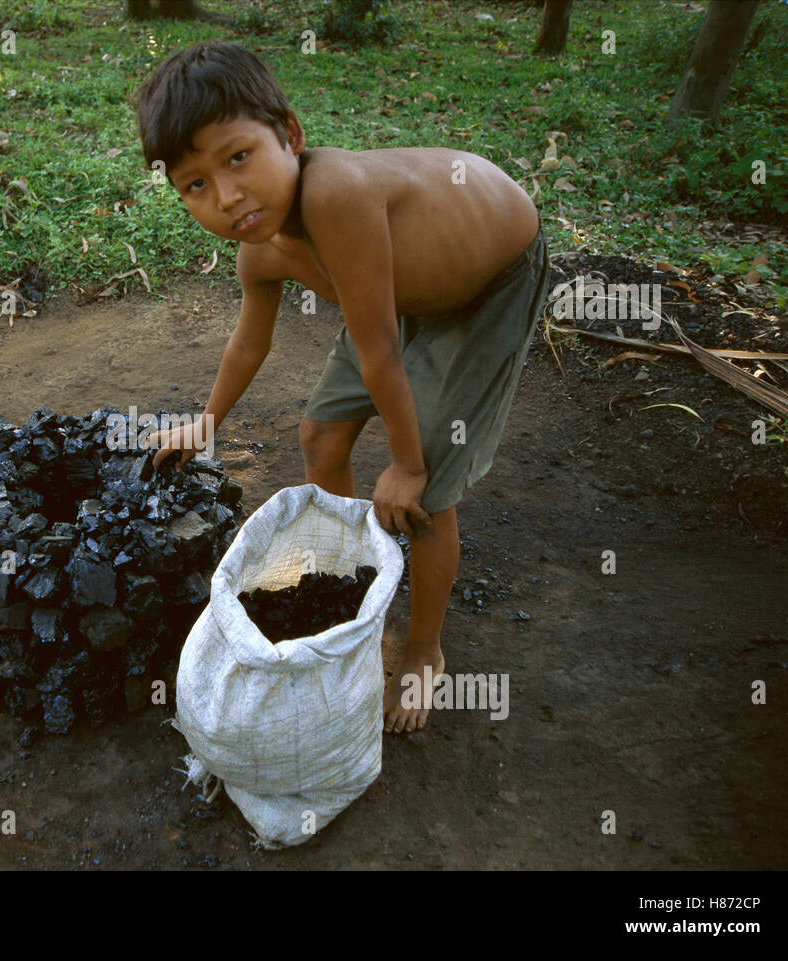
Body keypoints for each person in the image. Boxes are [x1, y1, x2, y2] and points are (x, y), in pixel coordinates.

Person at [132, 41, 549, 733]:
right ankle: (359, 588)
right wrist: (204, 423)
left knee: (425, 497)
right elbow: (250, 342)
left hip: (487, 282)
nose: (227, 196)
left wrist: (409, 464)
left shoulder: (334, 194)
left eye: (238, 157)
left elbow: (380, 347)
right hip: (397, 294)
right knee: (319, 436)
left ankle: (423, 651)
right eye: (195, 185)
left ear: (291, 135)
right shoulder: (258, 250)